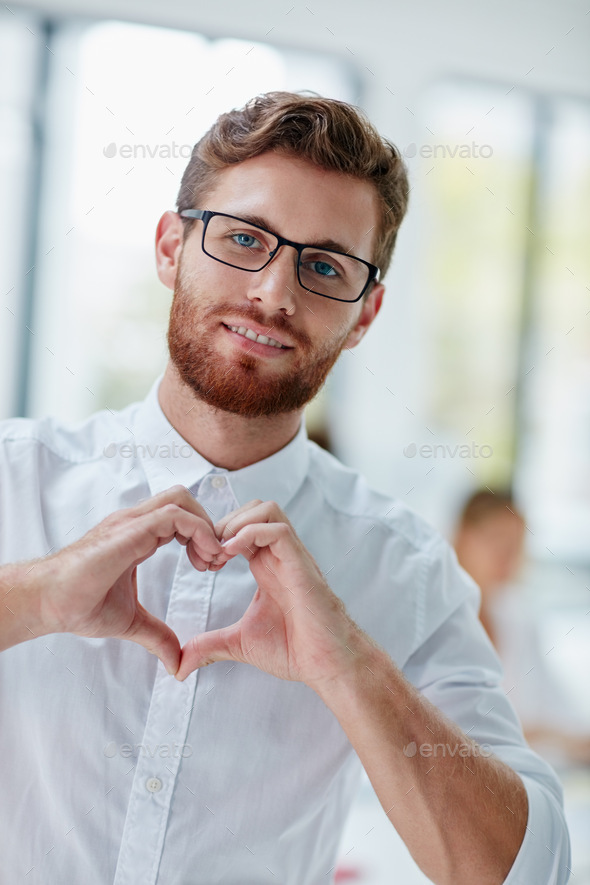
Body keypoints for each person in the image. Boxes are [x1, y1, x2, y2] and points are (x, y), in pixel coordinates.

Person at [0, 92, 569, 885]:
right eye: (243, 238)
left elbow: (525, 870)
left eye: (325, 264)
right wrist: (33, 598)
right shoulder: (13, 478)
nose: (275, 292)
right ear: (171, 246)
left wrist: (347, 666)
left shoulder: (407, 570)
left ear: (365, 314)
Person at [454, 489, 590, 765]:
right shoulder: (433, 622)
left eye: (516, 546)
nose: (506, 558)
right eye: (496, 541)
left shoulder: (518, 619)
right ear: (461, 539)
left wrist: (563, 738)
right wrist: (536, 734)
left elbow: (560, 712)